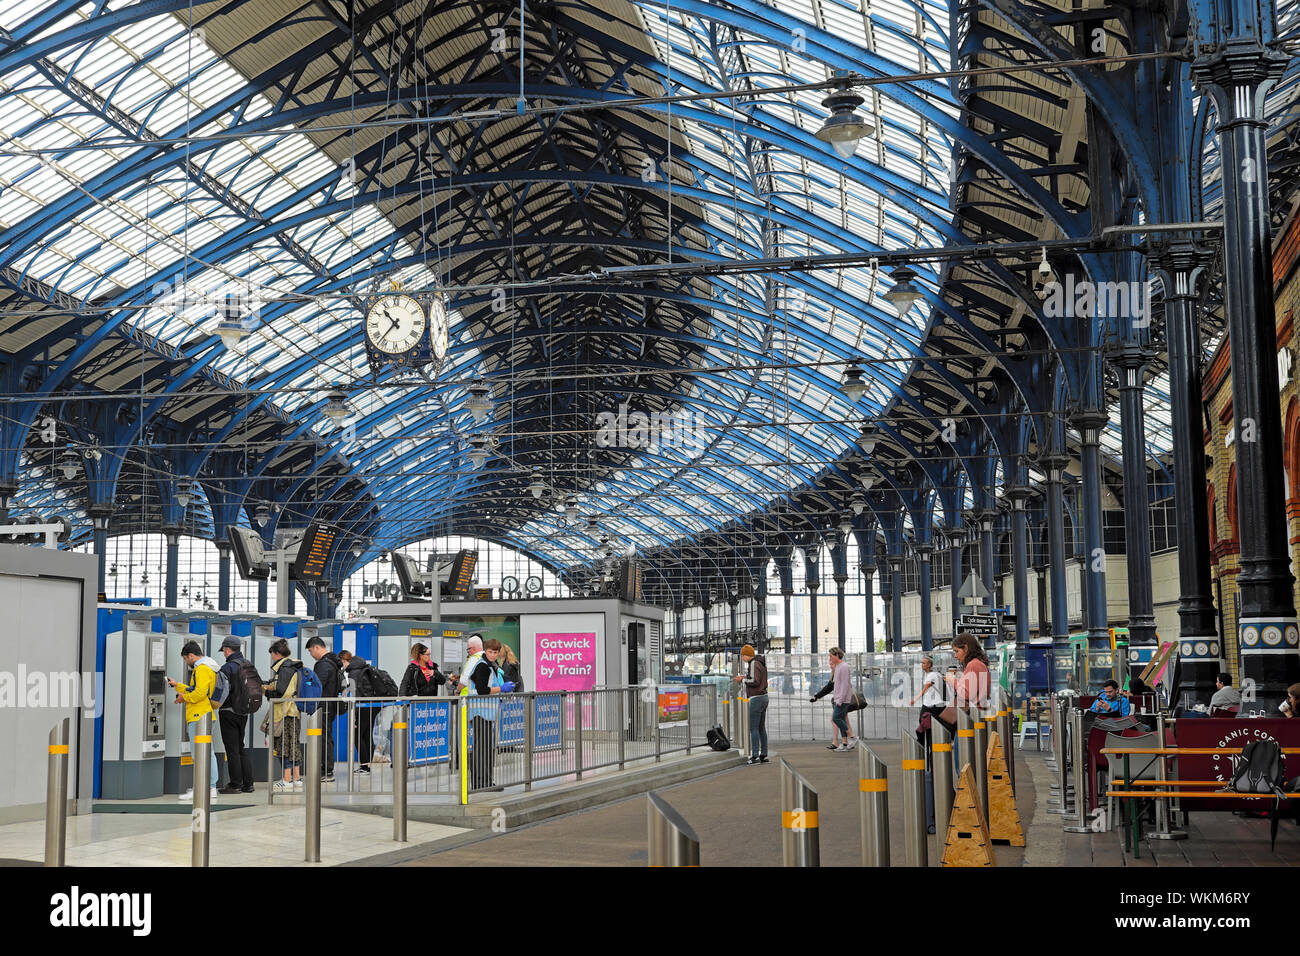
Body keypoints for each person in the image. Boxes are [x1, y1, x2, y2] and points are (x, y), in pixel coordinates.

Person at [168, 641, 220, 802]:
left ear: (191, 656)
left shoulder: (202, 669)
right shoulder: (207, 667)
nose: (186, 662)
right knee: (204, 752)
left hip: (199, 716)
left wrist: (184, 698)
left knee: (200, 753)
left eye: (185, 659)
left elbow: (198, 694)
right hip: (203, 715)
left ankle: (207, 787)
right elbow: (196, 689)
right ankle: (208, 786)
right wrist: (178, 686)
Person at [216, 636, 255, 795]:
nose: (224, 654)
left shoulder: (227, 668)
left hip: (228, 712)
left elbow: (222, 691)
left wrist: (214, 704)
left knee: (231, 749)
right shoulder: (248, 665)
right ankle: (248, 784)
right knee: (241, 747)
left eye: (224, 651)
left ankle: (235, 784)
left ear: (227, 649)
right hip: (243, 712)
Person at [262, 638, 302, 793]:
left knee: (284, 746)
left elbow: (280, 692)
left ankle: (286, 780)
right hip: (293, 711)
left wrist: (265, 691)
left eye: (272, 654)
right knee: (293, 744)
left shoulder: (285, 668)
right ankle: (297, 778)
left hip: (285, 712)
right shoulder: (293, 666)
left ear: (277, 653)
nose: (271, 657)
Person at [466, 637, 504, 790]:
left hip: (484, 713)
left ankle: (485, 782)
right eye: (490, 652)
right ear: (485, 651)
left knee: (484, 748)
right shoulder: (482, 666)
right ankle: (481, 783)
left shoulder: (489, 665)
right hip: (480, 713)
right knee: (482, 749)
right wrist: (502, 689)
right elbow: (482, 690)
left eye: (495, 652)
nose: (493, 655)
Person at [305, 636, 343, 783]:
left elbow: (317, 685)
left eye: (310, 651)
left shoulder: (323, 665)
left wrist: (306, 686)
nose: (311, 654)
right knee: (326, 737)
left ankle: (326, 771)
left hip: (324, 706)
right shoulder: (333, 662)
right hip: (330, 706)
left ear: (317, 648)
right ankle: (327, 769)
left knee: (324, 738)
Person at [939, 633, 990, 731]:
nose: (955, 655)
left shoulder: (973, 665)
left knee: (961, 745)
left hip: (970, 718)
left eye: (957, 651)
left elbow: (966, 694)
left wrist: (952, 681)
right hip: (977, 716)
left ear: (966, 648)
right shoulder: (978, 663)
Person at [811, 647, 856, 752]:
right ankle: (845, 743)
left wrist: (839, 700)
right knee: (840, 720)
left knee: (836, 718)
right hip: (839, 699)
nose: (829, 659)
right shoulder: (839, 667)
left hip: (842, 700)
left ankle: (852, 737)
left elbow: (845, 685)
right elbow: (833, 686)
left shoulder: (843, 667)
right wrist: (818, 696)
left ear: (837, 655)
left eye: (831, 656)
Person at [339, 651, 375, 773]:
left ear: (344, 661)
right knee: (367, 735)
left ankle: (364, 765)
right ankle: (367, 764)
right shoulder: (363, 667)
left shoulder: (354, 672)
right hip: (371, 706)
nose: (342, 667)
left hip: (362, 707)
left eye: (342, 663)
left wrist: (354, 716)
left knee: (358, 735)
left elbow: (355, 695)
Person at [733, 643, 768, 764]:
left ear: (747, 655)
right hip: (764, 697)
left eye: (743, 655)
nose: (742, 658)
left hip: (756, 698)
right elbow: (757, 678)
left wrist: (742, 679)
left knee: (753, 728)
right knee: (761, 728)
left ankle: (755, 756)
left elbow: (755, 681)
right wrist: (746, 676)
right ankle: (764, 755)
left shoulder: (753, 663)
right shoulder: (761, 663)